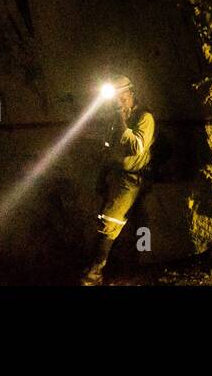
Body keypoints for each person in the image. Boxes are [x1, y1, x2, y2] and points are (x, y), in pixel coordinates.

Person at [81, 75, 155, 285]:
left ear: (132, 94)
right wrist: (102, 175)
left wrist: (121, 121)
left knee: (109, 222)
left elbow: (136, 147)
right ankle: (113, 271)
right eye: (116, 100)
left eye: (122, 99)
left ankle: (93, 275)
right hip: (116, 176)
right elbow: (110, 149)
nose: (119, 104)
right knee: (110, 223)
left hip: (132, 179)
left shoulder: (144, 117)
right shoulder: (118, 118)